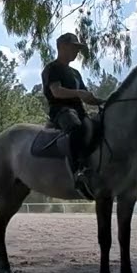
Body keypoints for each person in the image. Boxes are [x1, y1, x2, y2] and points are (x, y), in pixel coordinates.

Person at [41, 32, 103, 198]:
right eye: (73, 48)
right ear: (62, 47)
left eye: (77, 49)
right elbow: (57, 92)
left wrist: (103, 101)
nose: (76, 52)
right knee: (76, 127)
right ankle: (78, 172)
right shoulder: (52, 68)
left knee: (101, 127)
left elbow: (86, 96)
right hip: (60, 111)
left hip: (80, 111)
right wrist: (80, 94)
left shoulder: (75, 73)